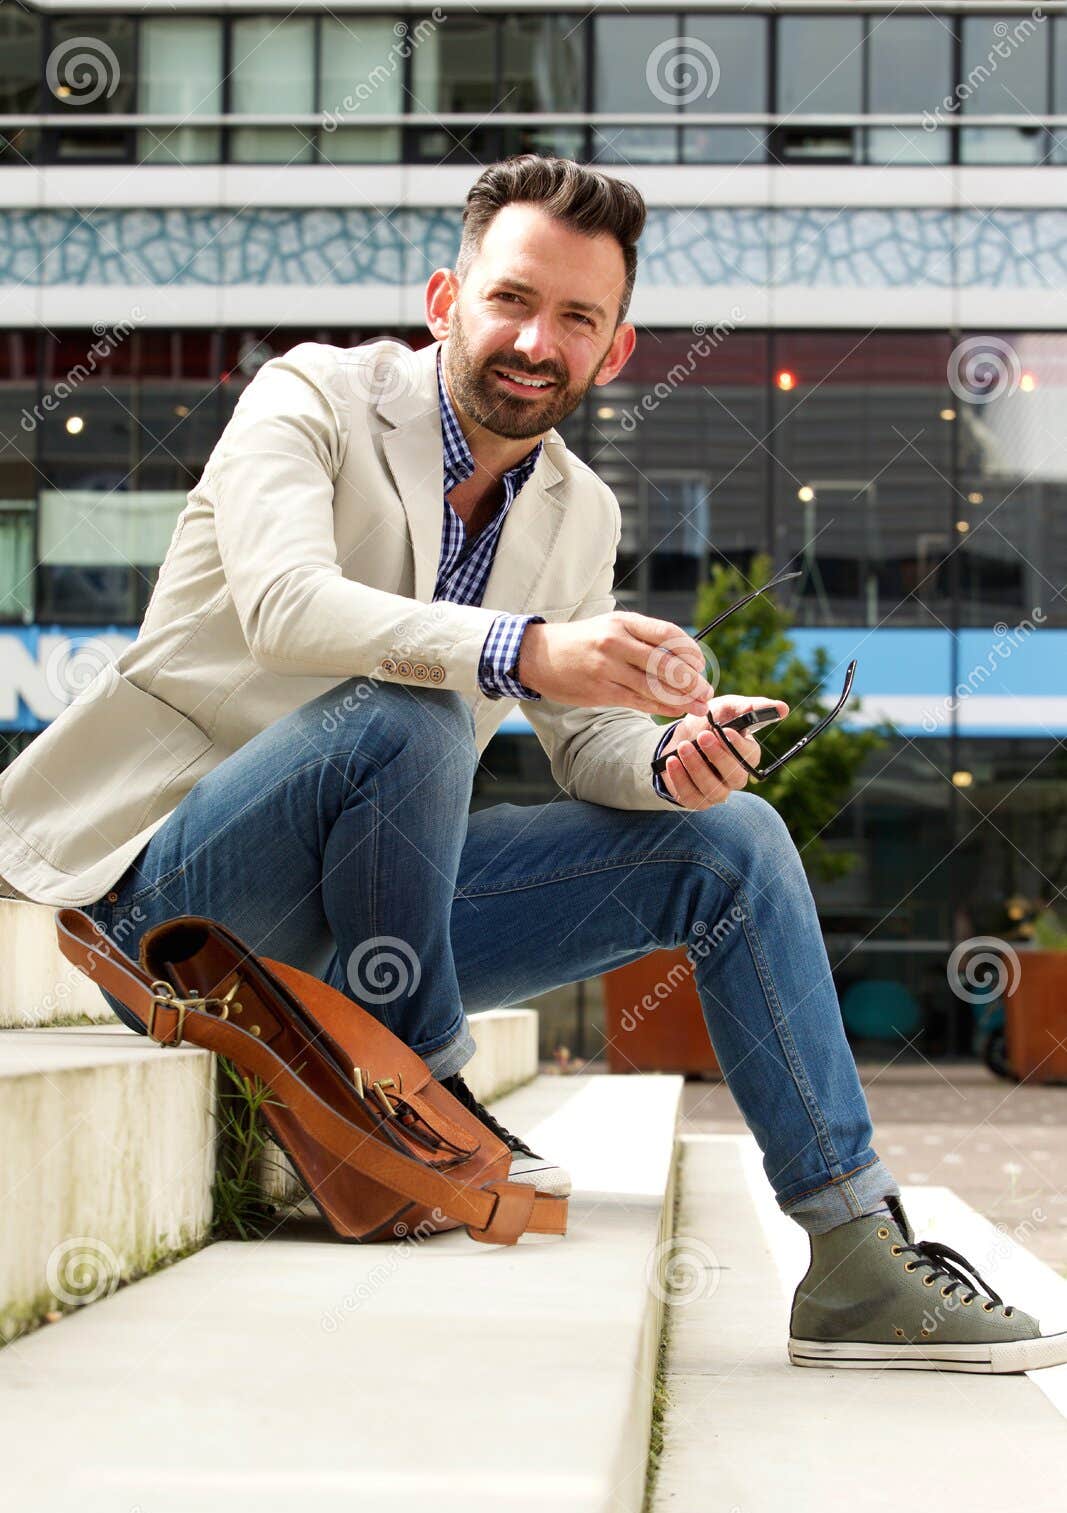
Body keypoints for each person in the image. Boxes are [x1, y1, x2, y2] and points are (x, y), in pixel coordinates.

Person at [1, 155, 1062, 1373]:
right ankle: (430, 1097)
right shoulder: (309, 397)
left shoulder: (579, 513)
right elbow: (288, 607)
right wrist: (527, 648)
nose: (533, 341)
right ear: (445, 299)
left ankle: (853, 1250)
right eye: (511, 300)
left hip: (364, 928)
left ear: (613, 352)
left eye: (575, 319)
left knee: (734, 842)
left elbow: (589, 748)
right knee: (411, 716)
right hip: (169, 903)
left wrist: (673, 759)